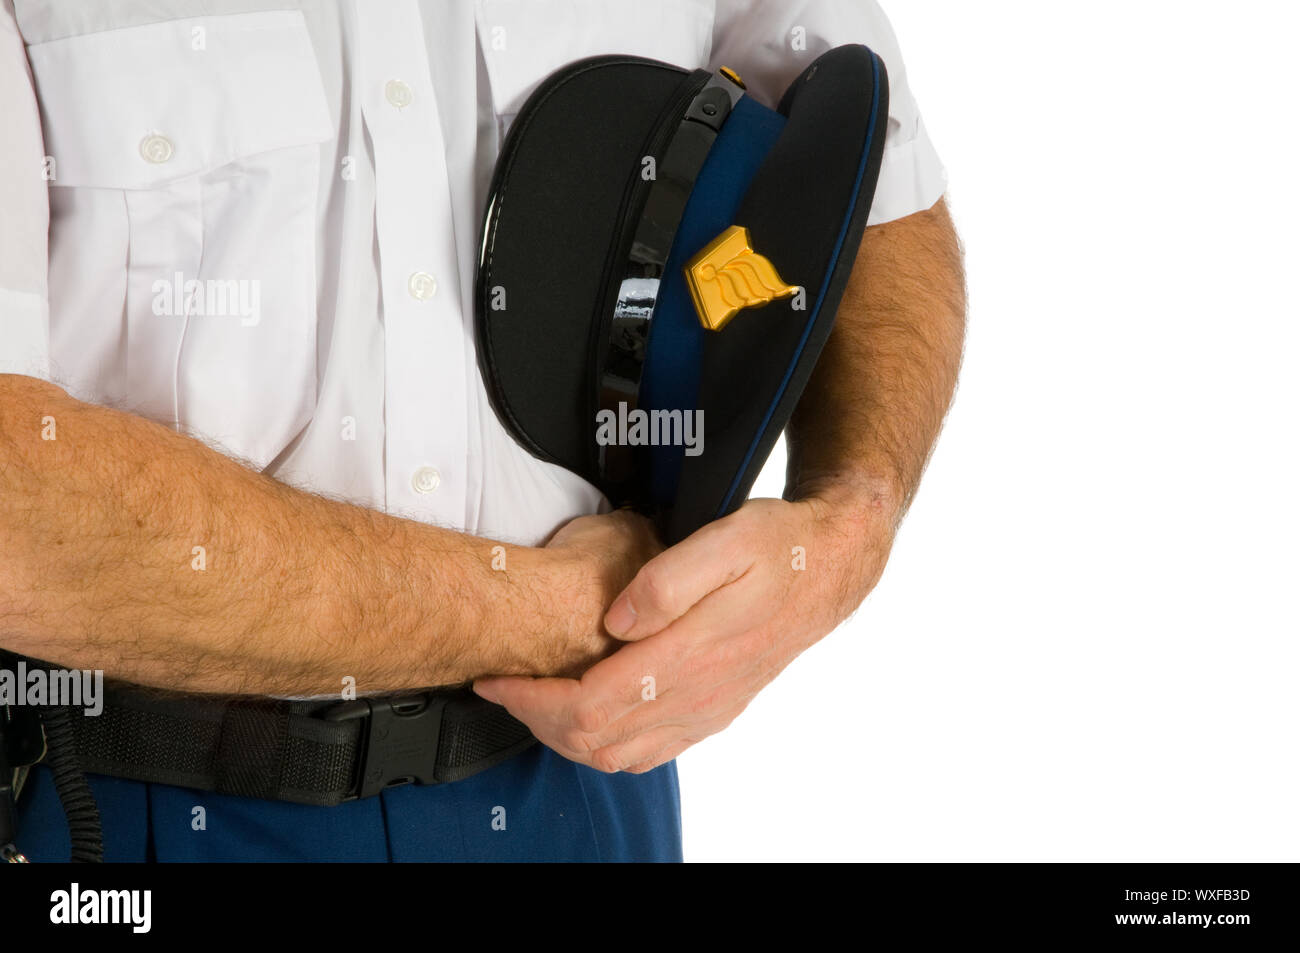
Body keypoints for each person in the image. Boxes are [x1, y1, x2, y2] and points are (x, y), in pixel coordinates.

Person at [0, 0, 965, 861]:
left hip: (581, 788)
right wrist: (569, 611)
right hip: (128, 797)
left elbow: (871, 182)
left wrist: (845, 525)